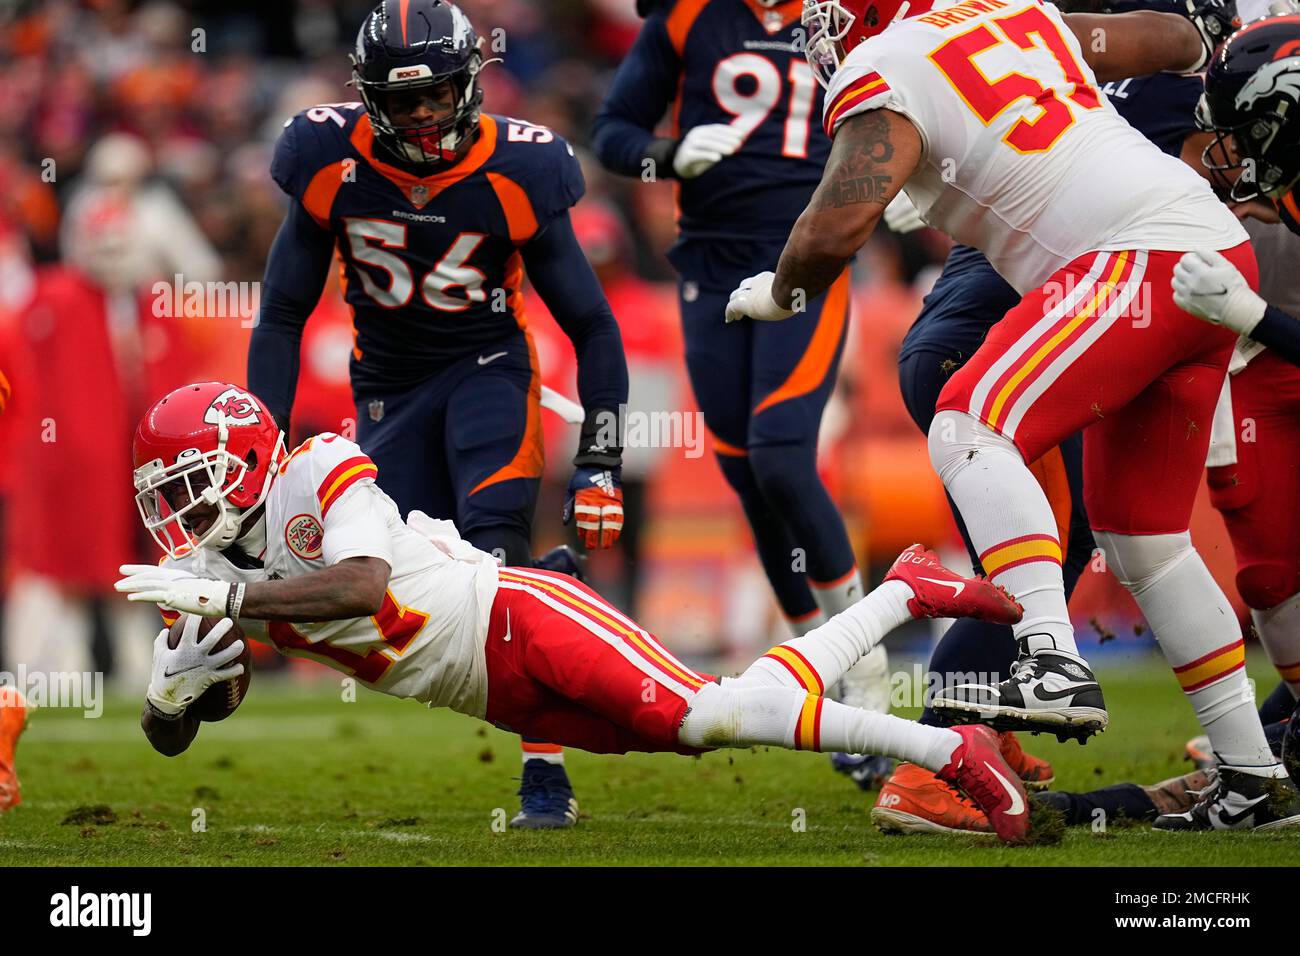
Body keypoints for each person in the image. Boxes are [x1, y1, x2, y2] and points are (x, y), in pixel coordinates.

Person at [725, 0, 1300, 828]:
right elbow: (1173, 41)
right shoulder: (1018, 13)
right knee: (1147, 542)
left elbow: (837, 224)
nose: (821, 32)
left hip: (1134, 255)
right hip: (1206, 245)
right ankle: (1253, 779)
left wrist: (784, 289)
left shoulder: (882, 64)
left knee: (970, 421)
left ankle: (1052, 661)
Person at [115, 382, 1034, 841]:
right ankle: (909, 589)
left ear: (241, 461)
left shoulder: (313, 468)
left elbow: (357, 585)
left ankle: (949, 750)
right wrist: (172, 698)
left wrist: (229, 598)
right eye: (170, 495)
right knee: (712, 720)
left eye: (191, 485)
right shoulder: (205, 566)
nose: (182, 513)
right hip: (488, 695)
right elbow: (200, 714)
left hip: (512, 614)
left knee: (709, 712)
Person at [246, 0, 631, 828]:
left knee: (497, 555)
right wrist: (264, 447)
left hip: (489, 368)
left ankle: (544, 771)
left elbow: (594, 324)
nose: (422, 113)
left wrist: (601, 457)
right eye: (403, 98)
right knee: (392, 584)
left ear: (470, 83)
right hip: (384, 387)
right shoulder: (324, 156)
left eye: (437, 93)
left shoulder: (523, 167)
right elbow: (280, 315)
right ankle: (558, 586)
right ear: (367, 97)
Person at [877, 0, 1237, 834]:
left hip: (977, 339)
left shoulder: (1053, 85)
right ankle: (932, 766)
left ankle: (983, 732)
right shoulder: (1161, 91)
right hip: (987, 346)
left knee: (1042, 548)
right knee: (1046, 549)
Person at [592, 0, 893, 789]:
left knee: (783, 457)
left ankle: (864, 660)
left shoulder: (850, 14)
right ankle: (815, 670)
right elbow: (613, 132)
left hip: (811, 258)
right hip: (710, 268)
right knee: (750, 481)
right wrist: (673, 154)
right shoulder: (692, 17)